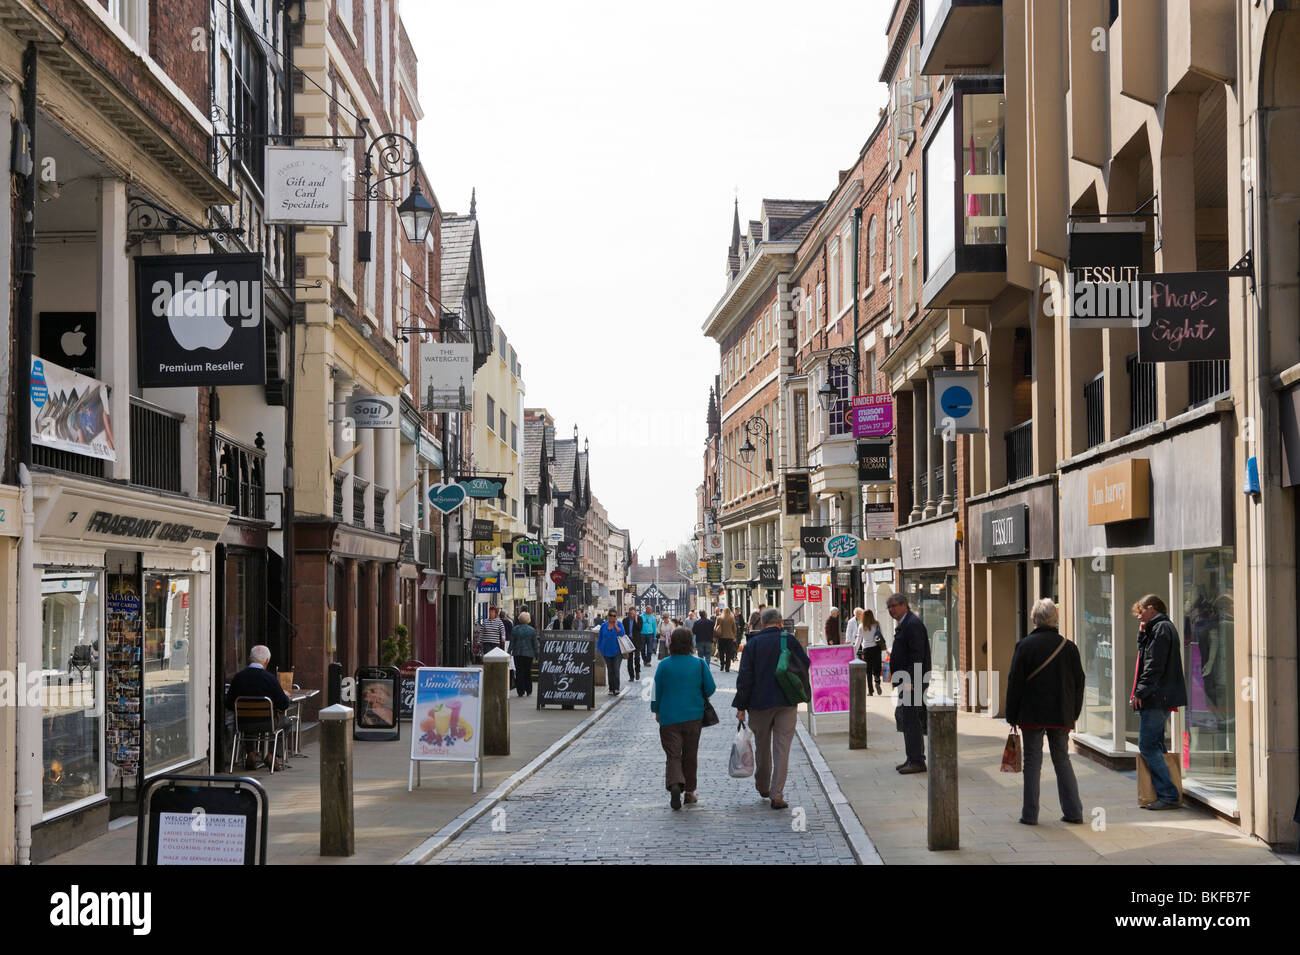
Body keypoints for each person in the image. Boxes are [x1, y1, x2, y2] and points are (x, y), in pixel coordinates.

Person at [1005, 599, 1085, 825]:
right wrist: (1074, 712)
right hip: (1061, 714)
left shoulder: (1024, 646)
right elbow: (1079, 682)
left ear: (1034, 619)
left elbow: (1015, 683)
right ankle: (1074, 812)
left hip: (1032, 714)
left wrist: (1012, 714)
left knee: (1032, 763)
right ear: (1055, 619)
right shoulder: (1069, 647)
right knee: (1062, 760)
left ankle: (1030, 815)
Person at [734, 607, 810, 810]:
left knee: (762, 746)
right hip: (787, 700)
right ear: (780, 622)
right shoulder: (789, 640)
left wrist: (741, 706)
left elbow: (745, 678)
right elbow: (805, 663)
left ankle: (762, 786)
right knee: (782, 748)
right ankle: (777, 794)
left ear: (761, 623)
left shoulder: (753, 644)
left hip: (759, 704)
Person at [1131, 594, 1188, 810]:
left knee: (1146, 745)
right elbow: (1146, 656)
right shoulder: (1156, 628)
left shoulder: (1161, 628)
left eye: (1141, 611)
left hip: (1156, 697)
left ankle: (1169, 795)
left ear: (1151, 608)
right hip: (1158, 695)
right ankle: (1163, 792)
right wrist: (1141, 635)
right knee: (1156, 745)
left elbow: (1153, 665)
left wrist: (1141, 692)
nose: (1138, 616)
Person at [652, 627, 716, 810]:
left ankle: (674, 783)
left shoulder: (664, 665)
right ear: (690, 643)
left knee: (673, 754)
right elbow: (710, 688)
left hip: (669, 717)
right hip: (693, 716)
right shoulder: (699, 664)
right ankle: (689, 792)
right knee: (690, 754)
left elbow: (656, 691)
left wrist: (656, 710)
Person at [225, 645, 292, 770]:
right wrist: (284, 696)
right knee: (287, 722)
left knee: (249, 722)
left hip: (242, 724)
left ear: (250, 658)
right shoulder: (270, 679)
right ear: (267, 661)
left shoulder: (238, 677)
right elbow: (284, 704)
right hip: (267, 723)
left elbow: (229, 704)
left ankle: (250, 754)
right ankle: (272, 755)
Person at [886, 593, 931, 774]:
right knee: (908, 719)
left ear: (904, 605)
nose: (891, 610)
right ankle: (912, 758)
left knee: (911, 720)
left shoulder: (913, 625)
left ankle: (917, 761)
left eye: (895, 606)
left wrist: (910, 681)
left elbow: (917, 656)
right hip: (908, 679)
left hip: (913, 680)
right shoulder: (906, 623)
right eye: (889, 607)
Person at [856, 610, 886, 695]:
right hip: (876, 648)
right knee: (877, 667)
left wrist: (854, 651)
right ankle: (877, 681)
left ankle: (870, 690)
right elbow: (881, 635)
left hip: (867, 650)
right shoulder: (877, 624)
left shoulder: (861, 626)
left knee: (868, 671)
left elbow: (858, 640)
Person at [596, 609, 626, 695]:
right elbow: (600, 638)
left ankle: (616, 688)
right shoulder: (604, 626)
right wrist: (600, 649)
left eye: (614, 616)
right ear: (608, 616)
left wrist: (616, 627)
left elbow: (622, 634)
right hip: (606, 652)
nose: (612, 617)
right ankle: (611, 688)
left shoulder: (619, 624)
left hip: (617, 651)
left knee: (616, 670)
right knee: (610, 670)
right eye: (611, 615)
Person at [510, 611, 539, 697]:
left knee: (519, 672)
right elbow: (535, 644)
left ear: (519, 619)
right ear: (528, 620)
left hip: (517, 653)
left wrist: (508, 652)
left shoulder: (515, 629)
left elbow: (512, 642)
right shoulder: (532, 630)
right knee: (527, 671)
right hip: (529, 654)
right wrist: (537, 654)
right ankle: (528, 689)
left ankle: (520, 690)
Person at [623, 606, 642, 682]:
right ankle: (631, 676)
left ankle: (637, 671)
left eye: (633, 614)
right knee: (629, 660)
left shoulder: (639, 619)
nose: (632, 615)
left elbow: (639, 628)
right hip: (628, 641)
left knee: (637, 658)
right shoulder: (625, 620)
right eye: (631, 614)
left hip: (637, 641)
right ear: (629, 613)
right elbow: (623, 631)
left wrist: (636, 620)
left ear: (635, 613)